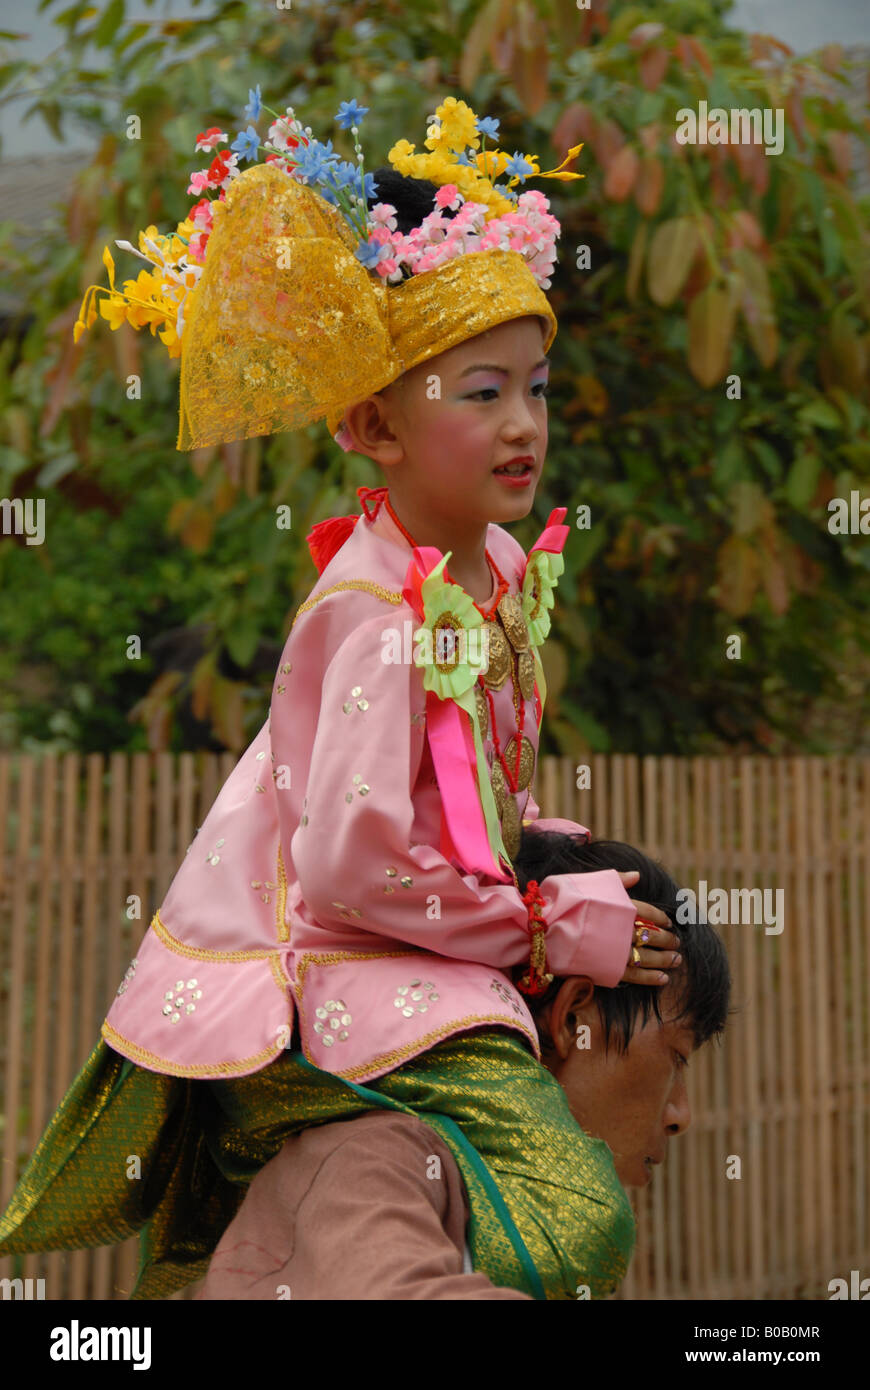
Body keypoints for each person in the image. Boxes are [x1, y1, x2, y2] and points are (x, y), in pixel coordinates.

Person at [0, 95, 681, 1302]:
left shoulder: (499, 568)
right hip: (354, 967)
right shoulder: (377, 622)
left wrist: (560, 861)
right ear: (372, 424)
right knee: (577, 1226)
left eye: (535, 386)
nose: (525, 425)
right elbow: (352, 877)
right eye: (480, 393)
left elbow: (459, 810)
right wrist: (546, 925)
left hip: (427, 953)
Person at [196, 828, 731, 1299]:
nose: (681, 1114)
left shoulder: (476, 1189)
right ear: (574, 1021)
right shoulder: (369, 1157)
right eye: (677, 1056)